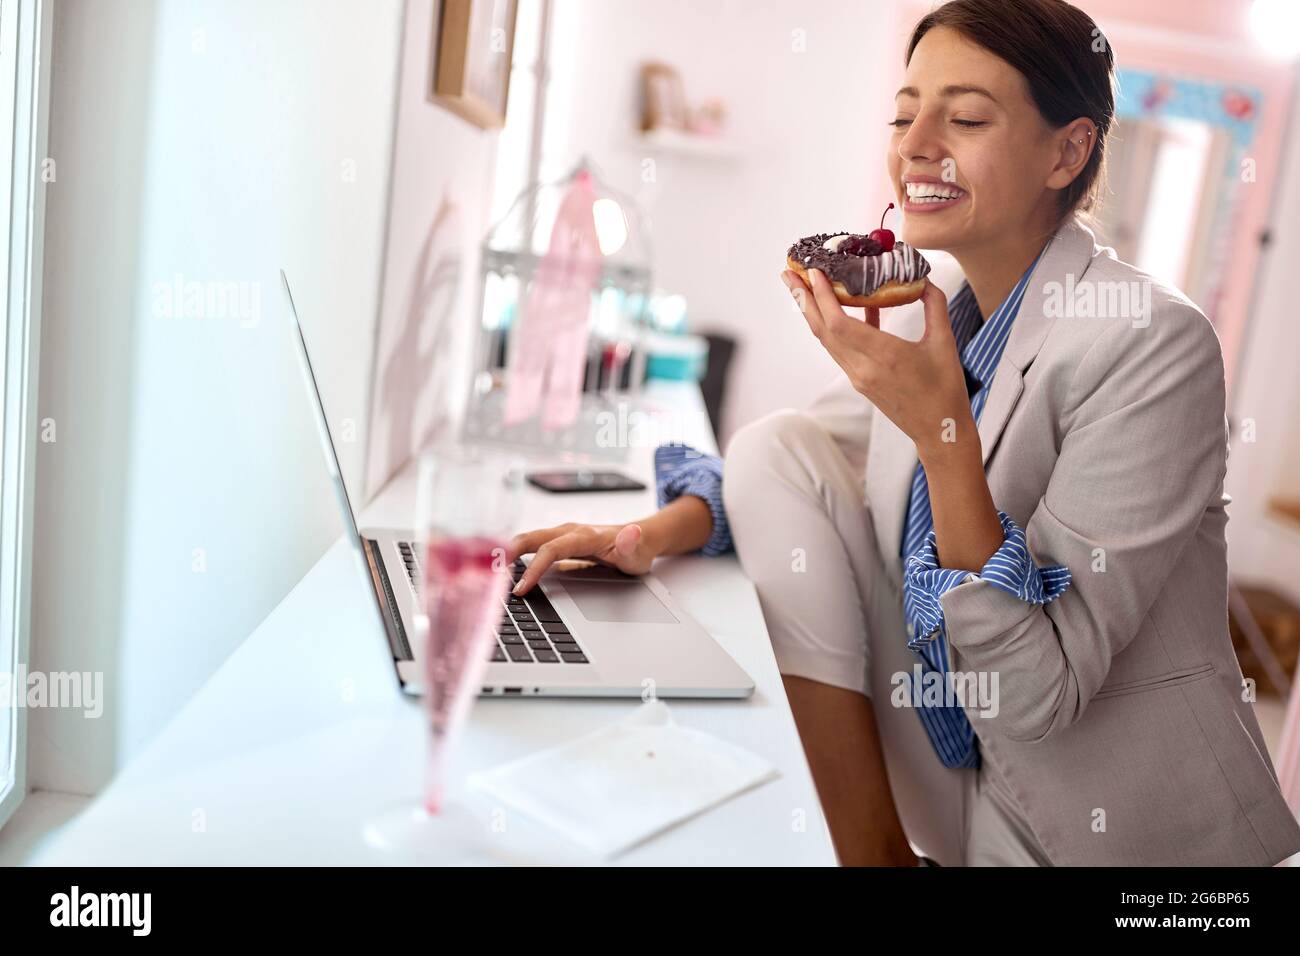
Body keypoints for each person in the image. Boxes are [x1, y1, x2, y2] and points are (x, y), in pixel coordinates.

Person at [507, 0, 1300, 866]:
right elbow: (790, 466)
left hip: (1106, 837)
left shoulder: (1152, 343)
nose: (917, 142)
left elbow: (1037, 696)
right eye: (903, 112)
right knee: (777, 447)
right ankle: (871, 853)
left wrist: (946, 436)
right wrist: (635, 537)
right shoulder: (939, 325)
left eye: (964, 117)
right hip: (963, 785)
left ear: (1067, 151)